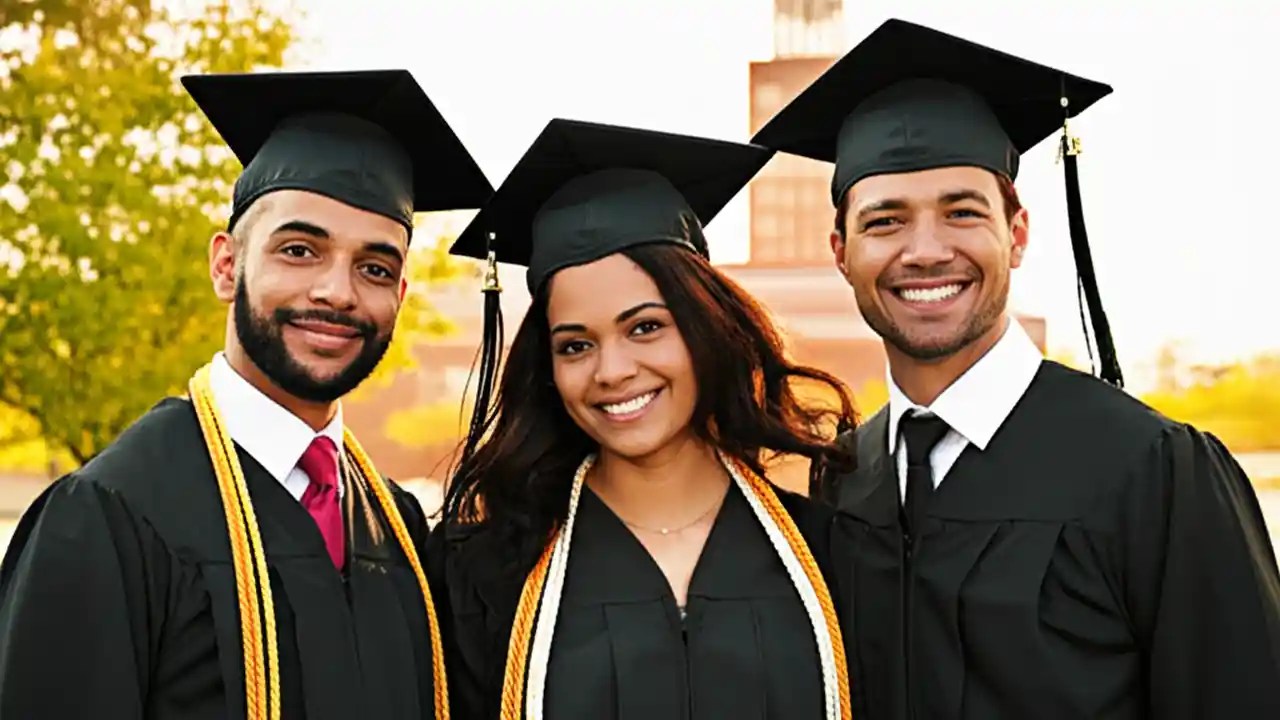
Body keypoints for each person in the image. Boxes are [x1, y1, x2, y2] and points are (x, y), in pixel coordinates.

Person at [752, 18, 1280, 720]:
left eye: (961, 212)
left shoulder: (1152, 470)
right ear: (841, 251)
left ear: (1018, 234)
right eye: (885, 221)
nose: (926, 249)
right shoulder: (842, 477)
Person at [0, 69, 493, 719]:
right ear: (226, 265)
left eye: (374, 268)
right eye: (299, 250)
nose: (337, 292)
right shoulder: (108, 515)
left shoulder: (397, 524)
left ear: (398, 297)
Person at [427, 118, 860, 719]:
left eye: (645, 328)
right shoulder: (486, 574)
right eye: (575, 345)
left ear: (707, 329)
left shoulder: (834, 553)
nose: (612, 370)